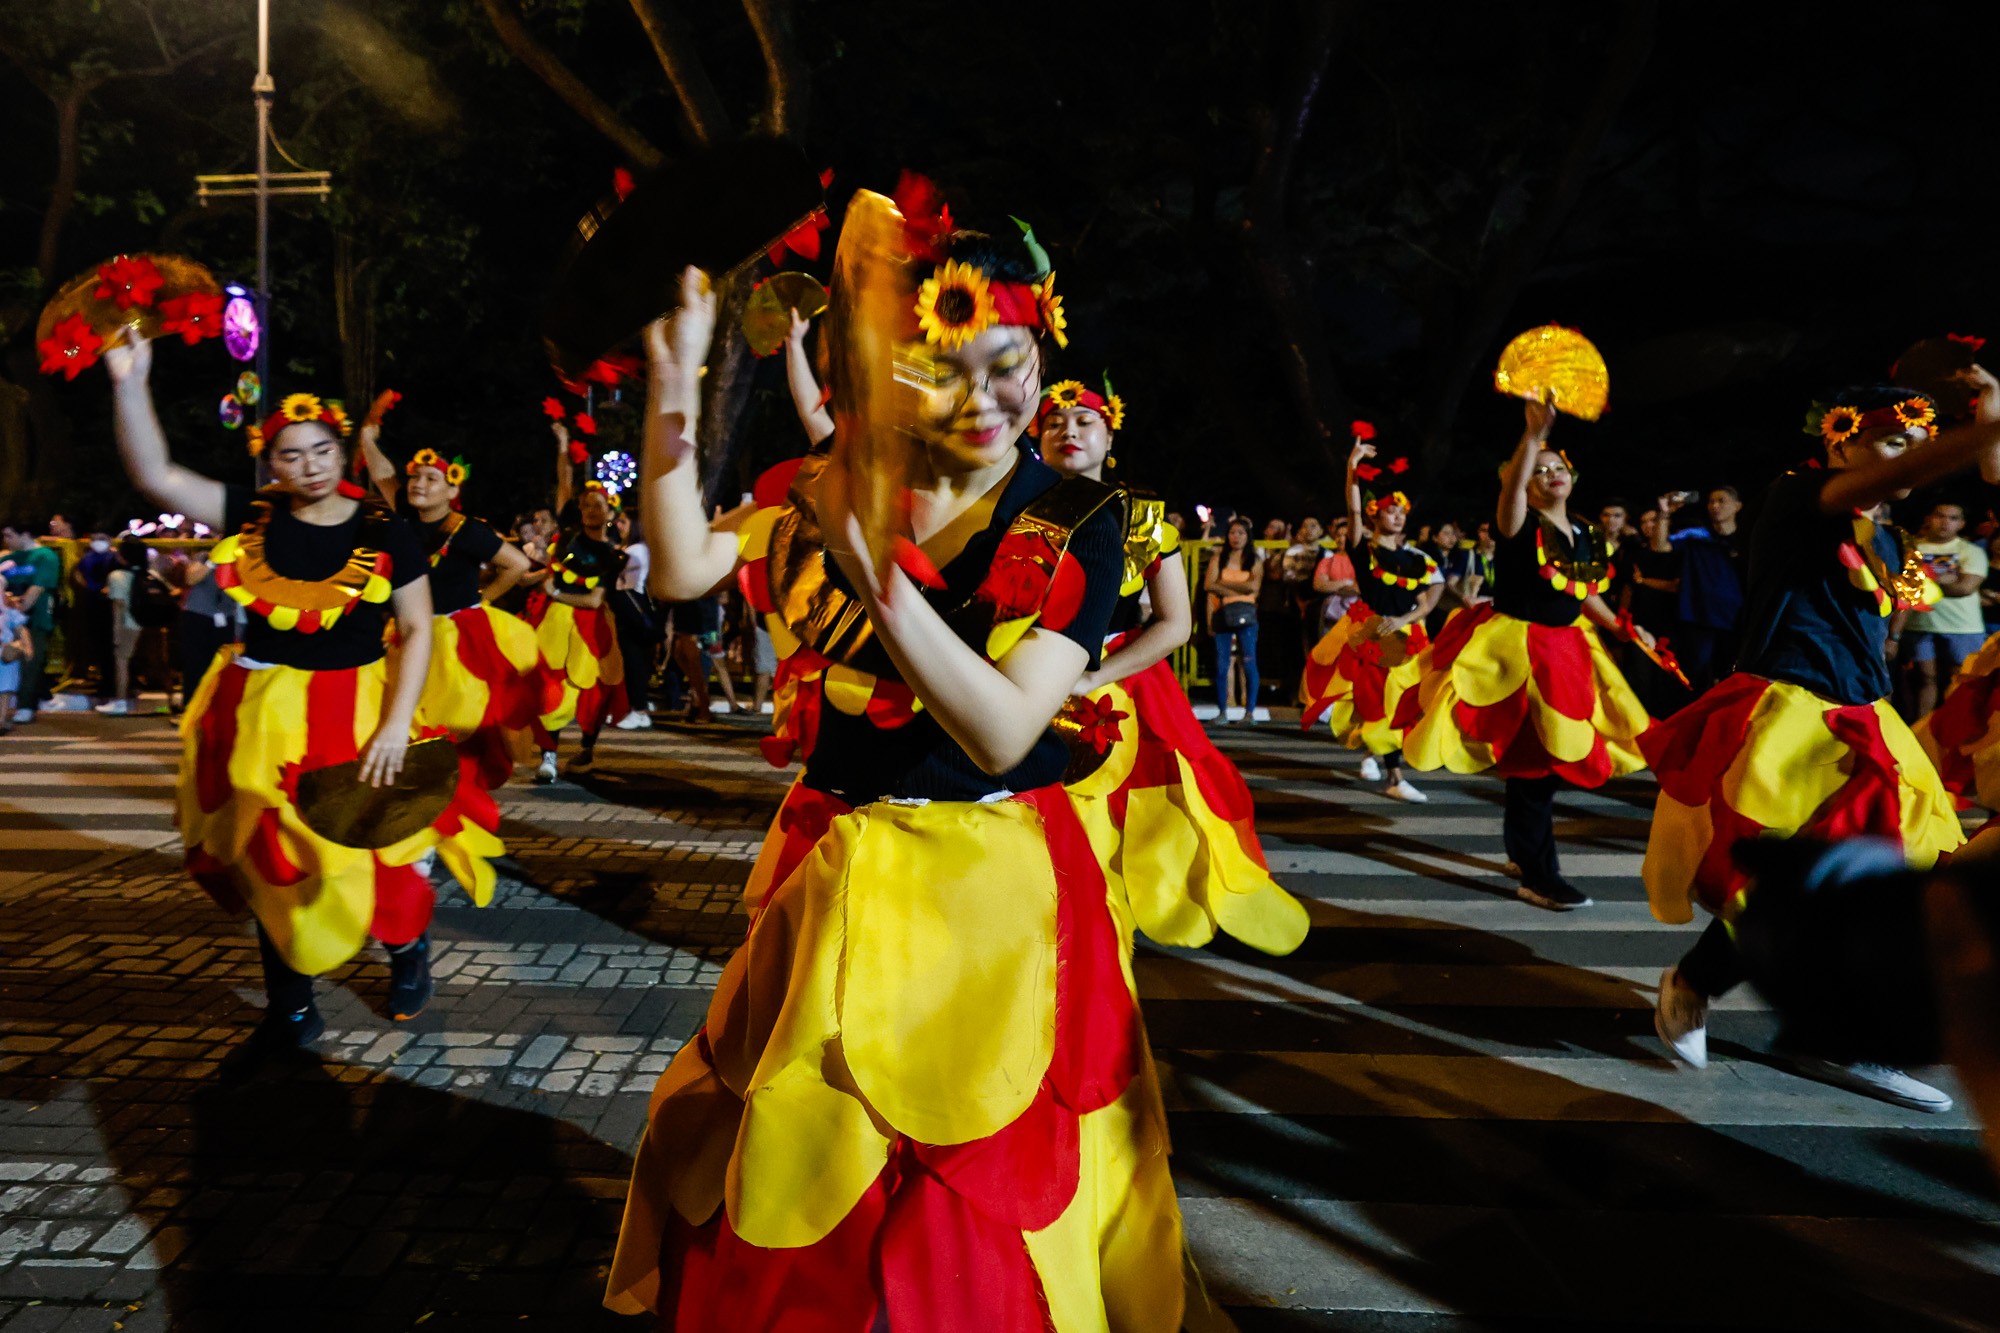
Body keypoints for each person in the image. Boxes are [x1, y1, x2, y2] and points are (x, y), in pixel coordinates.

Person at [607, 200, 1183, 1326]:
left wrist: (875, 575)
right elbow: (679, 566)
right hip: (832, 860)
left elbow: (1001, 732)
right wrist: (672, 395)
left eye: (1007, 366)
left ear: (1041, 355)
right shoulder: (842, 475)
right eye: (943, 371)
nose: (982, 399)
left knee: (975, 1172)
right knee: (810, 1141)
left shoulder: (1080, 516)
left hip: (993, 884)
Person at [102, 335, 501, 1068]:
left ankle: (406, 948)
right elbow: (155, 473)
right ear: (271, 463)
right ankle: (291, 1004)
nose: (310, 465)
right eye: (292, 454)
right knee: (268, 856)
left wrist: (393, 727)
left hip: (358, 708)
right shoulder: (251, 515)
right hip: (263, 713)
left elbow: (416, 629)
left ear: (341, 451)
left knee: (372, 849)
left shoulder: (387, 530)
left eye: (322, 450)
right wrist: (130, 381)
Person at [1645, 382, 2000, 1111]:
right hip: (1792, 713)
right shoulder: (1796, 497)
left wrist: (1990, 422)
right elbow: (1882, 482)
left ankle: (1840, 1036)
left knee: (1876, 885)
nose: (1908, 456)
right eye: (1893, 440)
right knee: (1785, 884)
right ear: (1839, 440)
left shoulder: (1886, 536)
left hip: (1868, 717)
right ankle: (1695, 984)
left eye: (1916, 442)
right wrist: (1981, 432)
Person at [1038, 375, 1308, 960]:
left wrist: (1095, 677)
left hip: (1119, 684)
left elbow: (1174, 623)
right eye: (1053, 422)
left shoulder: (1142, 521)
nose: (1068, 431)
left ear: (1110, 437)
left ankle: (1124, 915)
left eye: (1084, 421)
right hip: (1029, 682)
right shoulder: (1008, 513)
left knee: (1150, 804)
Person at [1399, 397, 1655, 910]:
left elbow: (1584, 593)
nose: (1550, 474)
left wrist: (1622, 628)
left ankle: (1523, 852)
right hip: (1519, 653)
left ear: (1572, 477)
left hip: (1566, 651)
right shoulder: (1520, 524)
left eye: (1557, 467)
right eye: (1539, 470)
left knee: (1541, 766)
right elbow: (1511, 494)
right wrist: (1532, 436)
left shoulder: (1584, 532)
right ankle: (1540, 876)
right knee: (1535, 767)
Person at [358, 423, 540, 798]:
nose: (419, 484)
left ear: (453, 491)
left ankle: (453, 787)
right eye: (415, 477)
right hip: (408, 630)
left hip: (454, 638)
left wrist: (484, 599)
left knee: (454, 715)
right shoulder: (405, 518)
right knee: (401, 708)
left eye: (431, 479)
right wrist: (367, 439)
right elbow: (382, 475)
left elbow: (518, 565)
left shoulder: (468, 531)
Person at [1301, 435, 1443, 801]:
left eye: (1401, 512)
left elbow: (1430, 597)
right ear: (1375, 515)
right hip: (1374, 634)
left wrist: (1408, 618)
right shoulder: (1364, 550)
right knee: (1382, 700)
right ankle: (1395, 776)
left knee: (1406, 703)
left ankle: (1371, 752)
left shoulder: (1416, 559)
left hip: (1409, 635)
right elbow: (1352, 511)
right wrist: (1352, 468)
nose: (1397, 515)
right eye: (1390, 510)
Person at [530, 454, 628, 782]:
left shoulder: (612, 555)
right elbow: (564, 486)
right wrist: (562, 450)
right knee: (548, 684)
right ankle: (548, 754)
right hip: (554, 623)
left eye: (598, 505)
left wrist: (556, 593)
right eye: (586, 505)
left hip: (591, 624)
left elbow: (593, 599)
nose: (590, 510)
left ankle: (586, 748)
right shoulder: (567, 538)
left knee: (597, 690)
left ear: (610, 512)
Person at [1651, 486, 1746, 694]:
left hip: (1736, 622)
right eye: (1711, 501)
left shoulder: (1747, 540)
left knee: (1732, 680)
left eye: (1721, 501)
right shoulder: (1696, 536)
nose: (1715, 506)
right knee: (1694, 680)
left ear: (1737, 506)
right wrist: (1664, 514)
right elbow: (1659, 546)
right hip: (1699, 620)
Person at [1897, 501, 1988, 717]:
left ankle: (1957, 726)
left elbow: (1965, 588)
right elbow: (1900, 586)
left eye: (1953, 518)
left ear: (1961, 524)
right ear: (1928, 518)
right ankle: (1921, 727)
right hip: (1918, 625)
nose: (1945, 522)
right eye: (1940, 516)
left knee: (1962, 681)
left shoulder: (1971, 551)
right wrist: (1946, 579)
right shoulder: (1911, 548)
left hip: (1963, 627)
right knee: (1923, 679)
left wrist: (1926, 581)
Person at [0, 521, 61, 722]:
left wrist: (18, 606)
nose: (6, 540)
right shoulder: (8, 558)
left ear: (25, 534)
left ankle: (26, 705)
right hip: (8, 619)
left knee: (30, 659)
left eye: (9, 535)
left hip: (35, 617)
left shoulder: (44, 556)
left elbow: (37, 589)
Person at [1206, 516, 1262, 722]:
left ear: (1248, 536)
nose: (1236, 537)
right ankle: (1222, 711)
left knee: (1249, 662)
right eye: (1232, 532)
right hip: (1223, 615)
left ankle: (1250, 712)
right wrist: (1241, 589)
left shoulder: (1254, 560)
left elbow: (1254, 587)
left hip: (1246, 616)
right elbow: (1209, 585)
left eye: (1241, 533)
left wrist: (1223, 584)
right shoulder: (1218, 558)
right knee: (1222, 664)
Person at [93, 536, 152, 715]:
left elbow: (118, 606)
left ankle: (120, 701)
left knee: (121, 662)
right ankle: (170, 698)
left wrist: (116, 633)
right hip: (147, 622)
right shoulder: (146, 574)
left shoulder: (116, 576)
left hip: (128, 623)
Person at [175, 547, 236, 711]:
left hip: (226, 617)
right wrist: (213, 561)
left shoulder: (242, 557)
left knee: (223, 667)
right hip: (198, 616)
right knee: (195, 665)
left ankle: (218, 710)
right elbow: (190, 578)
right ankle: (191, 709)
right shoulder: (205, 556)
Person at [1420, 520, 1470, 637]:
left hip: (1450, 605)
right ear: (1434, 538)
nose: (1451, 537)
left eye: (1453, 533)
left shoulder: (1459, 557)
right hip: (1431, 606)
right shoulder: (1426, 558)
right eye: (1446, 533)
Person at [0, 592, 30, 732]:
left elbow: (21, 629)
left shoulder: (9, 612)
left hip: (5, 655)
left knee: (5, 690)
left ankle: (1, 719)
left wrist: (27, 646)